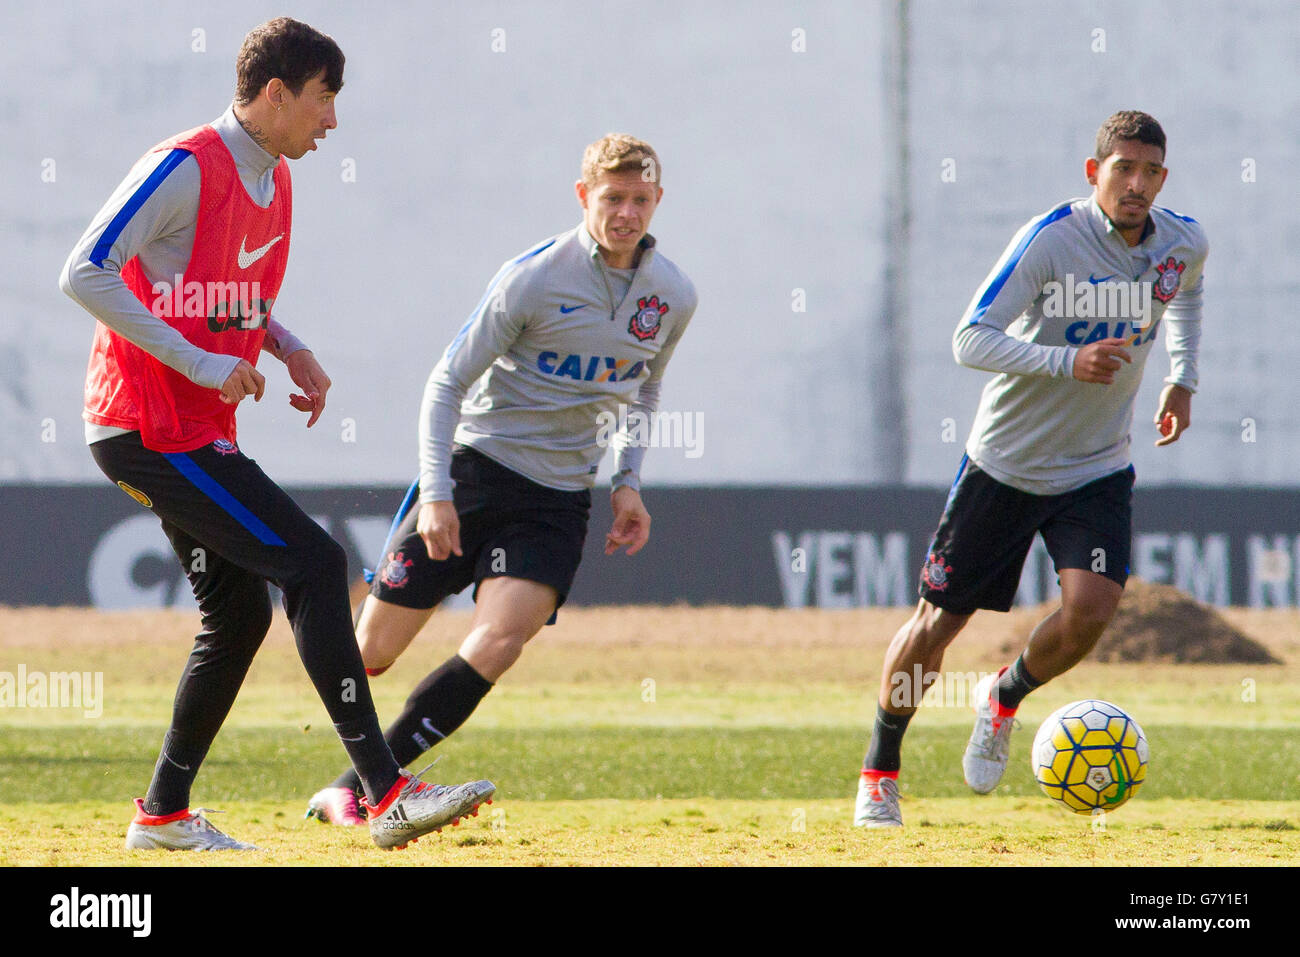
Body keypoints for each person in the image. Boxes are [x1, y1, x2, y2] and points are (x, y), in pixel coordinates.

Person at [59, 17, 493, 851]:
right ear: (276, 93)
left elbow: (214, 292)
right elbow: (84, 270)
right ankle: (384, 789)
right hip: (147, 425)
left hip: (184, 424)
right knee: (312, 561)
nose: (332, 120)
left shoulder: (274, 179)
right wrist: (195, 361)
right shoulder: (185, 164)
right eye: (326, 98)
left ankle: (161, 815)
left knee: (238, 619)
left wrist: (285, 346)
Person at [304, 133, 697, 825]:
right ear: (584, 197)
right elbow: (446, 381)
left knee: (501, 638)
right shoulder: (534, 277)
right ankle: (354, 766)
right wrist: (437, 492)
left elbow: (645, 392)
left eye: (640, 199)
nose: (627, 213)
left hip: (556, 498)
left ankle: (358, 789)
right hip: (475, 469)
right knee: (369, 653)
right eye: (613, 198)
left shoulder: (674, 296)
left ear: (658, 201)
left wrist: (627, 481)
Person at [854, 111, 1207, 827]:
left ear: (1162, 179)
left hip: (1098, 467)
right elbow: (968, 338)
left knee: (1091, 613)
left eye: (1149, 172)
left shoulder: (1183, 240)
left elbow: (1187, 292)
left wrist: (1182, 377)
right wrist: (1065, 360)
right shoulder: (1052, 239)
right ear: (1094, 172)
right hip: (1006, 463)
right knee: (935, 626)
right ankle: (880, 769)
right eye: (1122, 170)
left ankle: (1003, 698)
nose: (1136, 185)